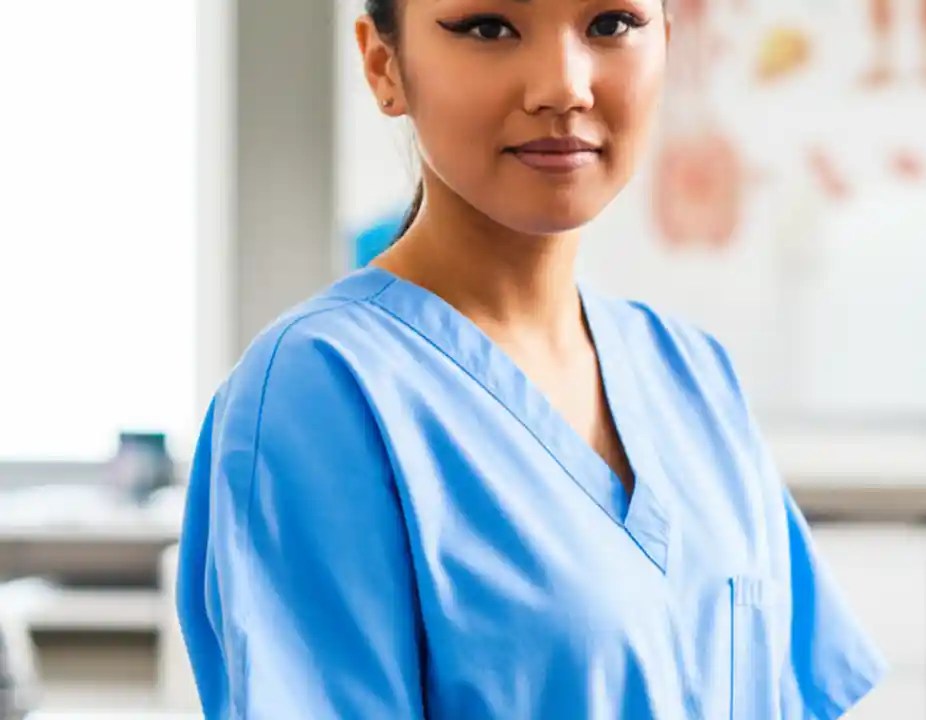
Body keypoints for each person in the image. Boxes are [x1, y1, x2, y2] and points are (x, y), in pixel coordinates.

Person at [176, 0, 885, 717]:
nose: (564, 86)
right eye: (489, 27)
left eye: (610, 24)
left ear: (666, 46)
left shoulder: (692, 374)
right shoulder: (322, 393)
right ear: (383, 65)